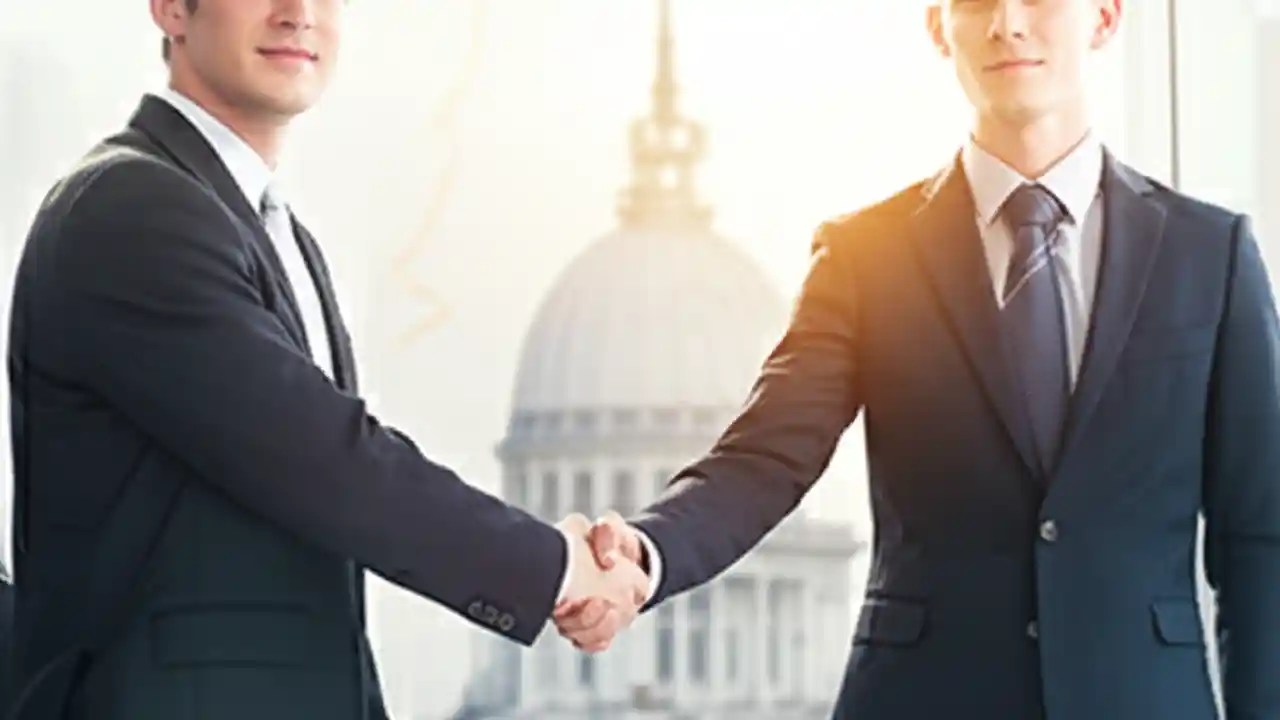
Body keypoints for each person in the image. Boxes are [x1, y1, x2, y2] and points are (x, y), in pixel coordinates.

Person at [554, 1, 1280, 718]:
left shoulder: (1207, 254)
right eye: (977, 2)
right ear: (939, 27)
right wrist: (648, 555)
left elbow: (1261, 534)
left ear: (1106, 17)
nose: (1007, 23)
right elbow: (765, 458)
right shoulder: (867, 255)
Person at [5, 1, 646, 718]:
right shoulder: (131, 207)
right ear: (170, 9)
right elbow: (326, 462)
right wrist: (551, 568)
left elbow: (317, 541)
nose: (298, 13)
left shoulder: (273, 231)